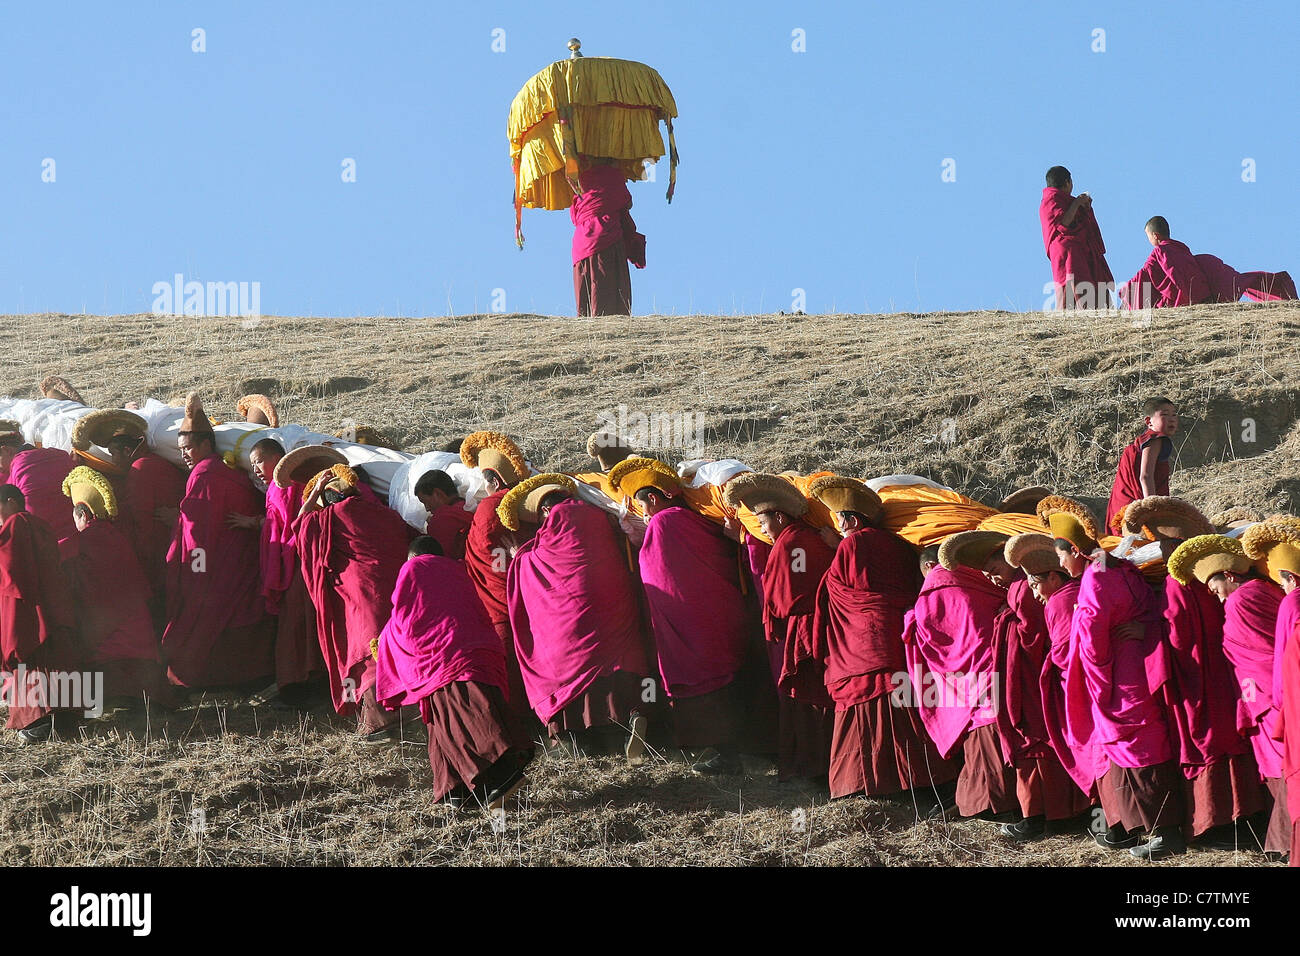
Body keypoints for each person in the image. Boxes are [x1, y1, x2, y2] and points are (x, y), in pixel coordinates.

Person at [808, 476, 960, 805]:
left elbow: (849, 585)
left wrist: (837, 550)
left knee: (867, 707)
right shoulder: (895, 542)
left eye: (838, 519)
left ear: (850, 519)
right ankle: (927, 782)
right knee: (903, 709)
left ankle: (864, 783)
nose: (836, 526)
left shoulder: (853, 544)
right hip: (895, 633)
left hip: (863, 641)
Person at [1050, 496, 1187, 860]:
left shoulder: (1096, 577)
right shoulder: (1125, 570)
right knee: (1147, 737)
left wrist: (1097, 680)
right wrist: (1141, 628)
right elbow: (1147, 610)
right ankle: (1153, 829)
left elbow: (1093, 635)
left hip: (1117, 676)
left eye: (1061, 556)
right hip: (1138, 667)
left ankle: (1164, 833)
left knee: (1135, 744)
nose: (1059, 564)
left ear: (1076, 551)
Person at [1123, 497, 1263, 846]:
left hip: (1196, 674)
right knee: (1230, 734)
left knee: (1207, 738)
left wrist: (1147, 632)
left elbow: (1178, 634)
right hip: (1224, 670)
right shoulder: (1205, 576)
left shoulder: (1178, 582)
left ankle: (1216, 821)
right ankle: (1248, 817)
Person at [608, 457, 749, 774]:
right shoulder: (690, 517)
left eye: (643, 507)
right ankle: (738, 748)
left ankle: (726, 755)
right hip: (721, 612)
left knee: (701, 679)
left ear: (654, 499)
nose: (643, 514)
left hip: (689, 624)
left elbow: (658, 573)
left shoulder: (663, 523)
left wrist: (639, 541)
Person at [375, 536, 534, 809]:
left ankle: (501, 778)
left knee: (462, 720)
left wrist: (386, 640)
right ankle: (455, 790)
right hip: (479, 648)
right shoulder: (457, 571)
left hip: (442, 656)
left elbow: (405, 618)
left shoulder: (414, 569)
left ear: (413, 557)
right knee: (452, 719)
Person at [501, 473, 651, 760]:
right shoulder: (597, 516)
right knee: (618, 657)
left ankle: (577, 738)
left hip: (574, 613)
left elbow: (537, 565)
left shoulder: (554, 524)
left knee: (564, 657)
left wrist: (517, 555)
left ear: (545, 510)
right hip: (612, 601)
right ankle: (634, 714)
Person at [1170, 533, 1289, 856]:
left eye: (1216, 589)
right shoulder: (1268, 589)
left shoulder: (1241, 600)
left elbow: (1261, 653)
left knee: (1283, 766)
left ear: (1231, 575)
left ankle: (1288, 843)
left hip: (1266, 698)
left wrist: (1261, 699)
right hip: (1277, 691)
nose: (1218, 598)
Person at [161, 394, 273, 689]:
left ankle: (202, 678)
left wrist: (194, 569)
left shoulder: (206, 473)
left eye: (188, 448)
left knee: (203, 616)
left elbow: (197, 528)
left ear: (206, 445)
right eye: (181, 449)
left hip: (215, 565)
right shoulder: (228, 472)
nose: (184, 455)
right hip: (239, 557)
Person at [296, 461, 413, 743]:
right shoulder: (386, 513)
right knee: (392, 645)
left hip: (356, 593)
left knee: (363, 650)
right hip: (392, 587)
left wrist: (312, 498)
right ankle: (410, 708)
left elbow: (300, 528)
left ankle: (380, 721)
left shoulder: (332, 516)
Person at [907, 530, 1016, 820]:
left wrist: (911, 621)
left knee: (982, 729)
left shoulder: (935, 582)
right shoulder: (978, 577)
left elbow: (931, 629)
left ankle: (989, 804)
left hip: (972, 670)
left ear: (929, 567)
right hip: (999, 658)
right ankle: (1019, 801)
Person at [993, 533, 1093, 839]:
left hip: (1034, 678)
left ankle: (1037, 817)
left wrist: (1006, 623)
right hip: (1049, 679)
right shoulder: (1072, 593)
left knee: (1034, 740)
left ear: (1052, 575)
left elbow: (1038, 636)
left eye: (1036, 585)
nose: (1035, 594)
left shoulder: (1055, 600)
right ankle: (1067, 815)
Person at [57, 467, 173, 707]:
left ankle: (110, 700)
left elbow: (60, 559)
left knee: (102, 647)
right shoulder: (115, 535)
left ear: (83, 516)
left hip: (109, 620)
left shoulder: (86, 538)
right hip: (135, 616)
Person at [71, 408, 187, 629]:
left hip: (161, 553)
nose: (113, 461)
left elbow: (140, 521)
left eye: (114, 454)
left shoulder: (140, 468)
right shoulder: (156, 462)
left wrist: (139, 564)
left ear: (126, 450)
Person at [229, 439, 324, 705]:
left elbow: (290, 526)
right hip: (290, 561)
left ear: (277, 457)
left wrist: (257, 524)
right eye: (252, 464)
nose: (256, 469)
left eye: (259, 461)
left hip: (296, 562)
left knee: (294, 625)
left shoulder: (289, 487)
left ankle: (297, 688)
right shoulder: (275, 488)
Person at [459, 431, 535, 734]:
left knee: (507, 658)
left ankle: (515, 721)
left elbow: (484, 549)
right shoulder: (526, 503)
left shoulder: (490, 508)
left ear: (492, 480)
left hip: (498, 595)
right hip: (527, 590)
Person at [0, 483, 76, 742]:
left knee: (32, 660)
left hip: (29, 606)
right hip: (51, 601)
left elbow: (10, 566)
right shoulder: (40, 524)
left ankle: (38, 722)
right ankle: (66, 717)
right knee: (57, 657)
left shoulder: (17, 523)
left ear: (12, 501)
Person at [571, 157, 646, 317]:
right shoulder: (613, 177)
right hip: (606, 240)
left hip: (580, 247)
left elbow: (574, 215)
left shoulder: (581, 182)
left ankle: (588, 336)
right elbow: (626, 205)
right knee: (608, 300)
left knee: (586, 300)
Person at [1040, 165, 1114, 309]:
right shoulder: (1051, 200)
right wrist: (1076, 203)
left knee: (1089, 283)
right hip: (1068, 251)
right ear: (1067, 182)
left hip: (1079, 250)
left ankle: (1095, 310)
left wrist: (1084, 209)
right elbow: (1063, 224)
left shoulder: (1062, 200)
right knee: (1075, 285)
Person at [1105, 397, 1178, 534]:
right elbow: (1145, 476)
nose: (1172, 419)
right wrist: (1152, 509)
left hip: (1123, 502)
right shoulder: (1156, 439)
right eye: (1165, 415)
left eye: (1174, 414)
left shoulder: (1144, 441)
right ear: (1149, 421)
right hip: (1137, 503)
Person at [414, 469, 473, 561]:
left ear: (438, 494)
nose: (427, 509)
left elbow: (439, 562)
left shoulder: (441, 519)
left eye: (426, 502)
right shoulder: (469, 507)